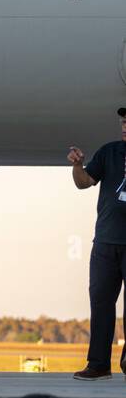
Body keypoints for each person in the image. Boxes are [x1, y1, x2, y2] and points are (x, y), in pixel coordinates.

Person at [68, 106, 126, 380]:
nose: (124, 126)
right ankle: (99, 364)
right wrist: (77, 166)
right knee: (101, 303)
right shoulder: (108, 152)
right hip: (105, 244)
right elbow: (84, 183)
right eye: (123, 121)